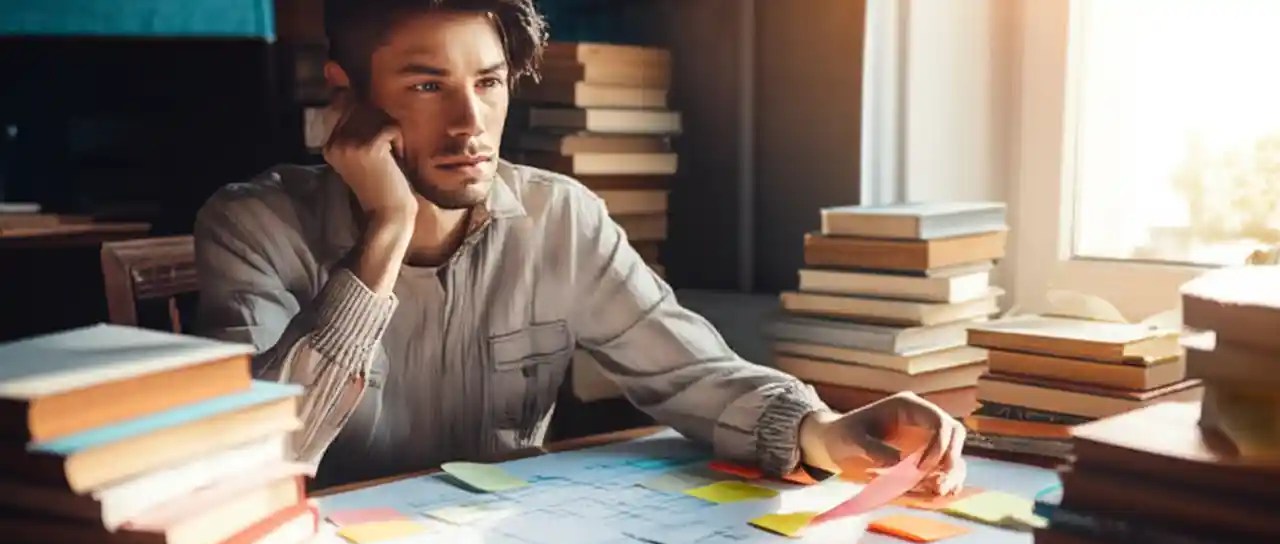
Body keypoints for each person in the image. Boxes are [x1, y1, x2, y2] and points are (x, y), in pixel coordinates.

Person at [194, 0, 968, 490]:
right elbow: (258, 461)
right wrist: (386, 232)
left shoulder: (561, 218)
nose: (470, 124)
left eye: (489, 83)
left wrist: (823, 430)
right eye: (428, 86)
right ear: (347, 92)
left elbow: (692, 372)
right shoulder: (251, 227)